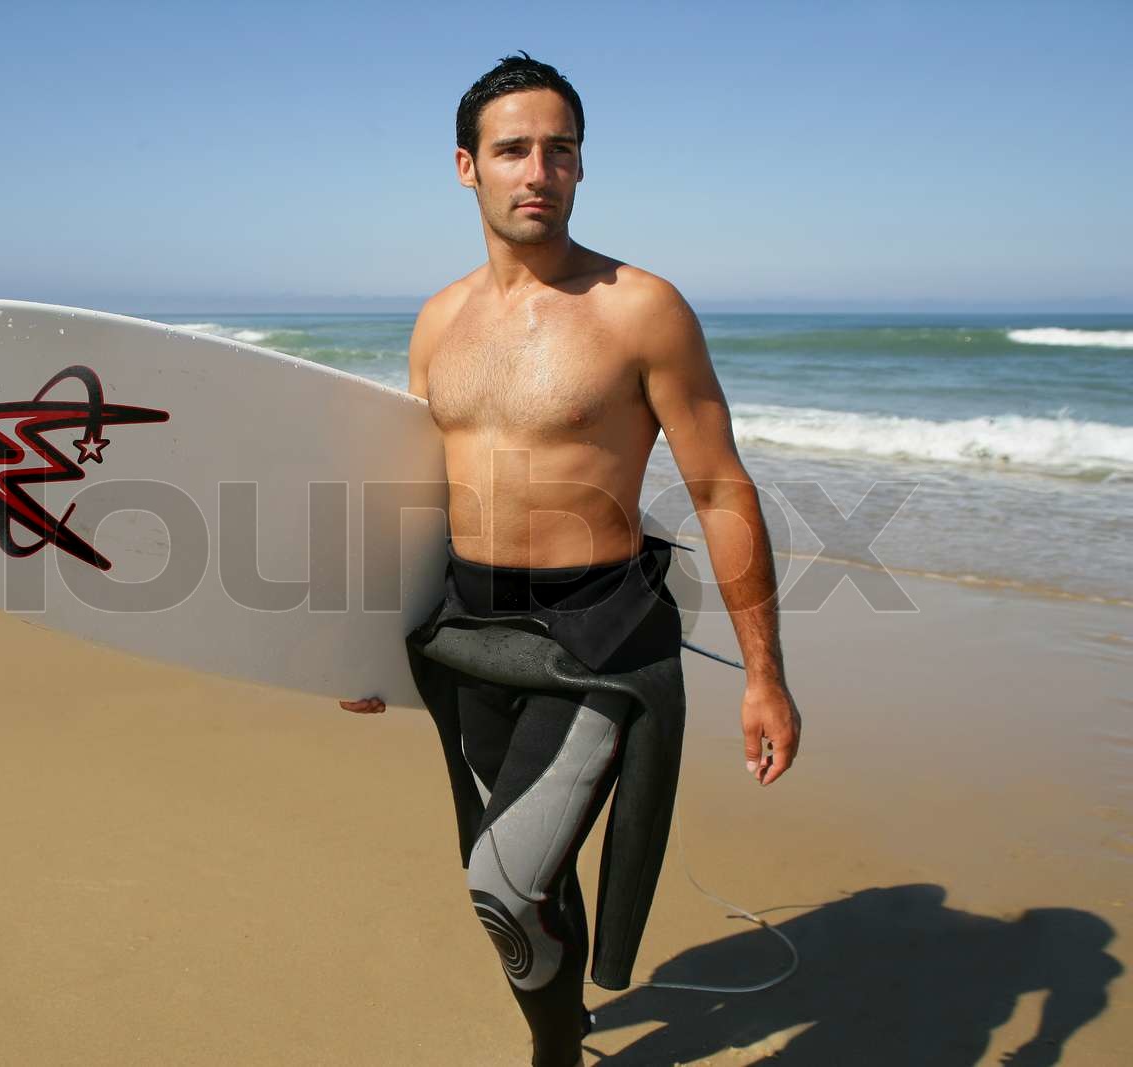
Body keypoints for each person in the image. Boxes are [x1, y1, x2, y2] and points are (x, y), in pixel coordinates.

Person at [338, 53, 802, 1067]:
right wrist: (363, 643)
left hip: (598, 637)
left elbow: (722, 488)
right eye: (513, 149)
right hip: (468, 633)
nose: (538, 171)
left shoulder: (640, 308)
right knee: (528, 867)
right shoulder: (438, 320)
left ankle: (553, 1054)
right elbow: (418, 498)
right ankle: (565, 1026)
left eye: (560, 149)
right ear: (466, 167)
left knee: (502, 882)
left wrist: (763, 674)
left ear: (583, 165)